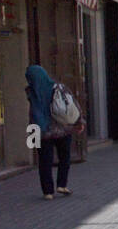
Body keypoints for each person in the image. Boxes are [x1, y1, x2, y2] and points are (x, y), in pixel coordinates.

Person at [25, 64, 83, 199]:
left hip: (42, 132)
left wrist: (32, 136)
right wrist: (79, 122)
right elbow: (72, 105)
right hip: (62, 129)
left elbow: (33, 114)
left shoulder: (31, 91)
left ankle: (48, 192)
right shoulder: (58, 87)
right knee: (64, 158)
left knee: (44, 162)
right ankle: (62, 185)